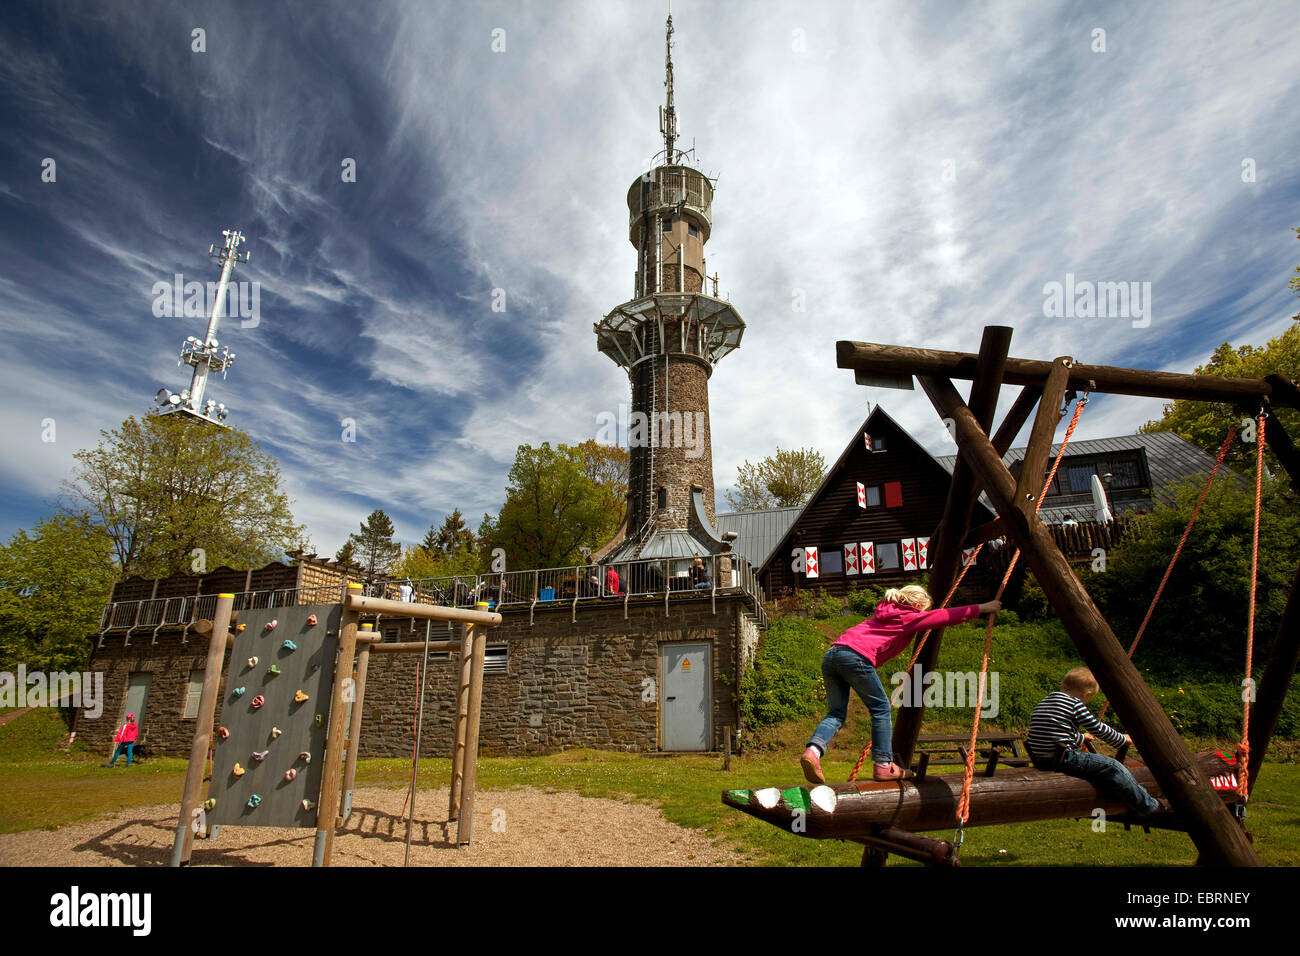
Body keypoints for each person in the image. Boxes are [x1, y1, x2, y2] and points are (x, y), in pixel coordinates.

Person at [801, 585, 1000, 783]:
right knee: (880, 709)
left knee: (836, 713)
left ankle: (813, 752)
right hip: (855, 657)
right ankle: (883, 765)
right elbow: (946, 616)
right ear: (917, 605)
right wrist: (983, 608)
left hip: (832, 654)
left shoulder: (884, 611)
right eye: (925, 610)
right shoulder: (908, 616)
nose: (925, 614)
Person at [1026, 667, 1159, 816]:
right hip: (1063, 758)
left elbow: (1053, 733)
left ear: (1064, 685)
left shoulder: (1046, 701)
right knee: (1112, 766)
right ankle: (1148, 805)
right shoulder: (1075, 704)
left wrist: (1081, 737)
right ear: (1087, 694)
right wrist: (1122, 739)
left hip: (1041, 758)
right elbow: (1097, 727)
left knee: (1103, 766)